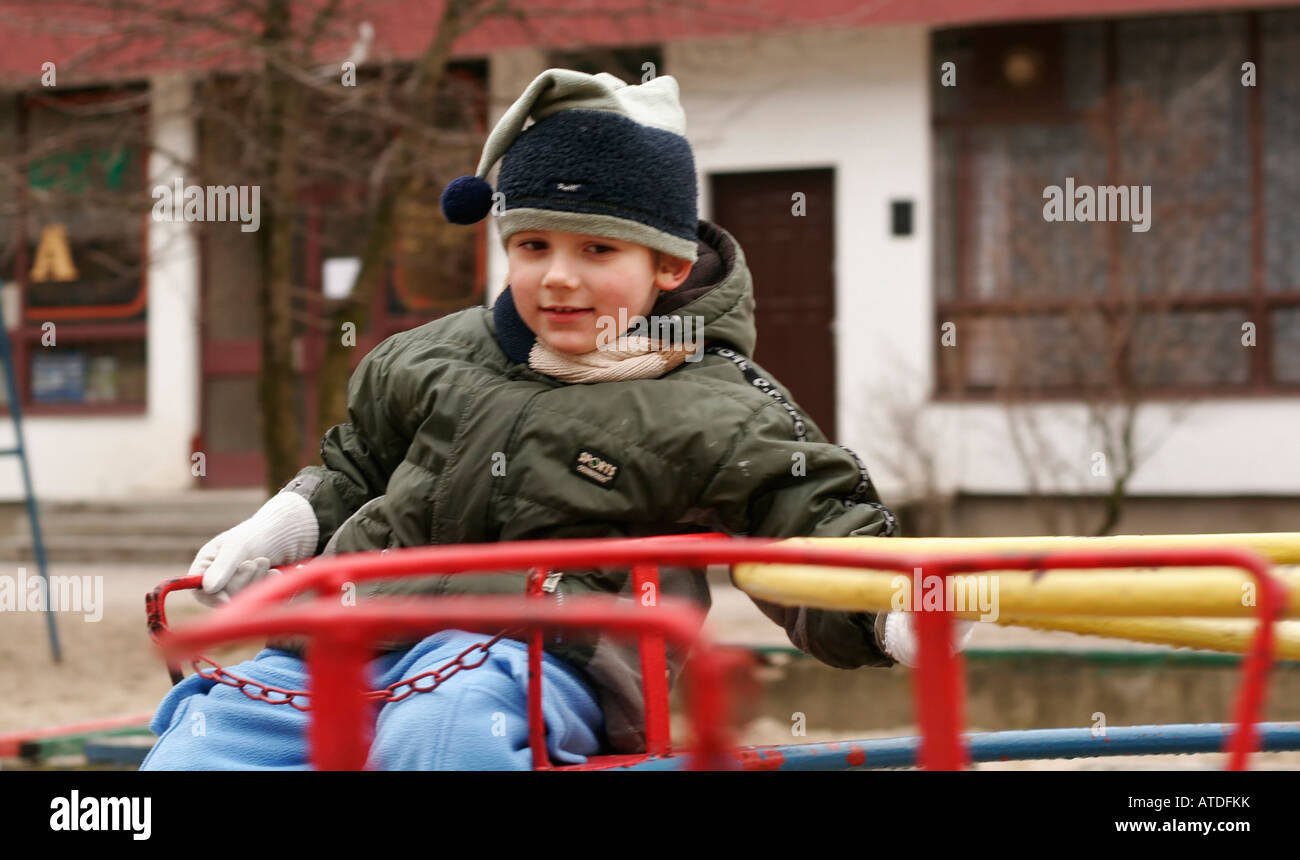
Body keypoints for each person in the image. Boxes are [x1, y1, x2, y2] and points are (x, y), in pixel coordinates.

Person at [141, 68, 969, 771]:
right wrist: (283, 524)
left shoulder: (718, 406)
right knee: (204, 736)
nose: (558, 278)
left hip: (541, 657)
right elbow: (356, 467)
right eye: (533, 245)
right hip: (352, 636)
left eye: (597, 251)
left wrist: (883, 609)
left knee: (448, 732)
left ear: (667, 266)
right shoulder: (426, 358)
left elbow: (807, 524)